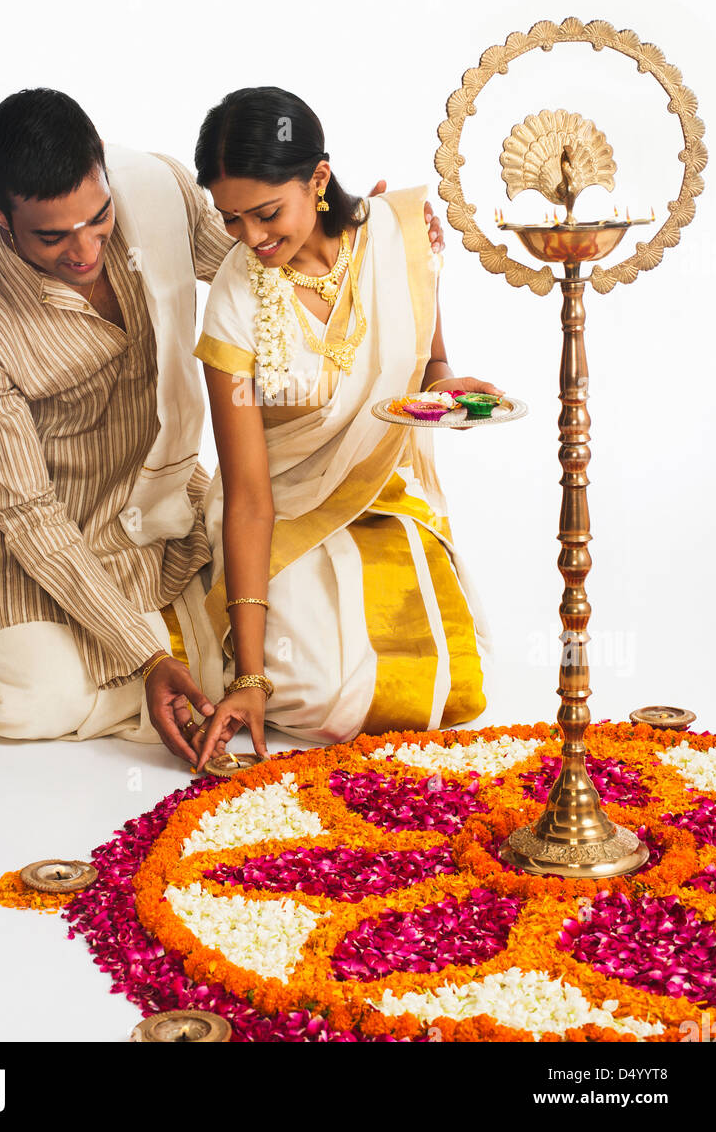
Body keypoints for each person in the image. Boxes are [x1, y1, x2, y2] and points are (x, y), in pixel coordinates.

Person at [0, 87, 447, 764]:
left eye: (98, 217)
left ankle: (160, 647)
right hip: (38, 542)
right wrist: (147, 660)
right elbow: (27, 515)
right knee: (26, 699)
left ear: (104, 168)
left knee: (287, 673)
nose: (84, 250)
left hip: (168, 512)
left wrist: (374, 243)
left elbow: (254, 255)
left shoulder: (157, 190)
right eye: (52, 236)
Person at [190, 87, 501, 770]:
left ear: (319, 178)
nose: (251, 240)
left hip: (383, 493)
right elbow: (247, 492)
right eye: (231, 220)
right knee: (311, 694)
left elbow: (432, 364)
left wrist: (448, 390)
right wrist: (247, 678)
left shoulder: (400, 236)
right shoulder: (234, 299)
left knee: (452, 684)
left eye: (267, 213)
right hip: (280, 513)